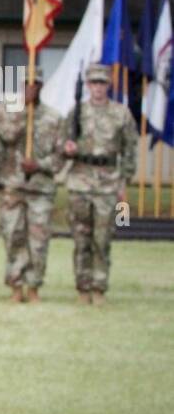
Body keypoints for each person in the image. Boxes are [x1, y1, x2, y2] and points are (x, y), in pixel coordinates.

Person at [64, 63, 138, 305]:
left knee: (103, 237)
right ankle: (82, 288)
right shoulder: (76, 112)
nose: (98, 87)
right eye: (93, 83)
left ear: (109, 85)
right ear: (87, 85)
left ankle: (99, 287)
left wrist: (123, 181)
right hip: (80, 179)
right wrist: (67, 148)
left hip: (107, 181)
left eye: (102, 83)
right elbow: (60, 143)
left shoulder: (121, 114)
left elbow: (129, 149)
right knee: (81, 238)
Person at [0, 65, 65, 302]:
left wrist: (40, 165)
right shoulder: (6, 111)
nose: (30, 87)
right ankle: (15, 285)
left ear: (42, 85)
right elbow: (2, 141)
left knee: (38, 240)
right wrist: (23, 111)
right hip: (12, 186)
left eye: (35, 83)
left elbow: (60, 156)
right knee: (13, 236)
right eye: (26, 83)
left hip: (40, 188)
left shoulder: (54, 118)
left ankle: (34, 287)